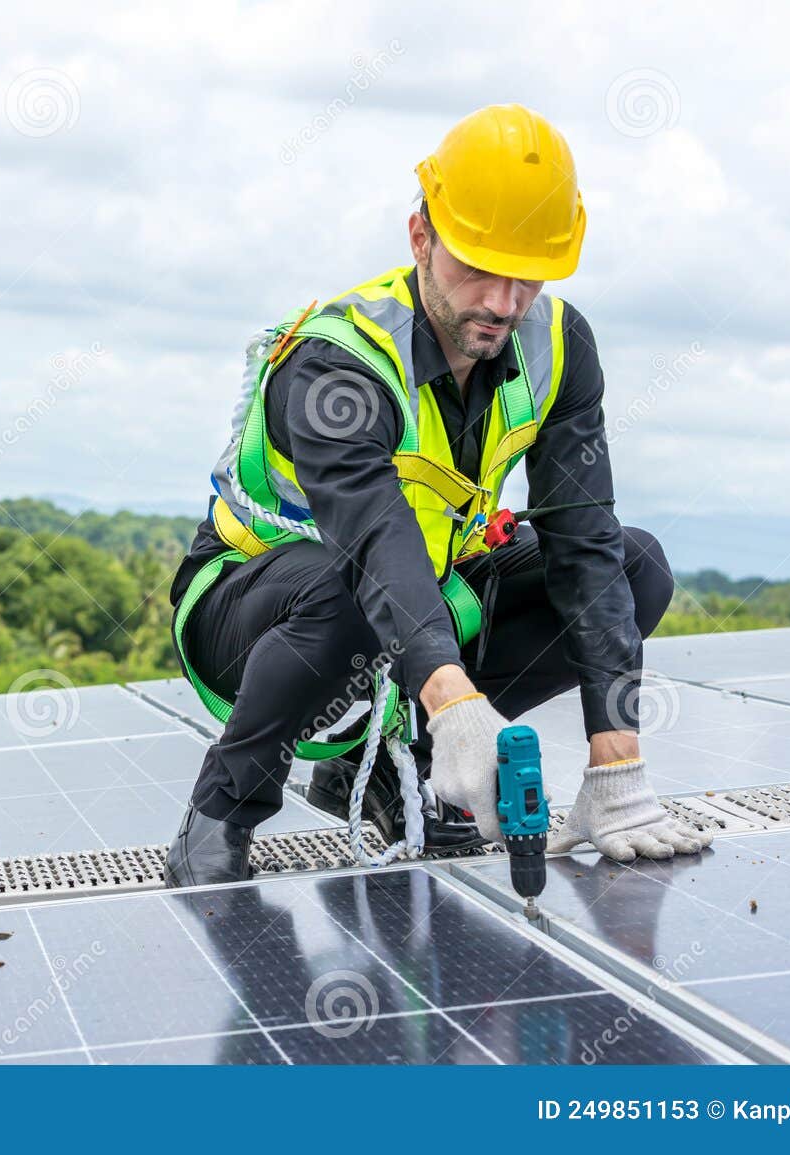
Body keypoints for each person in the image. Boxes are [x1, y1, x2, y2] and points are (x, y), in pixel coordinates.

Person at [163, 103, 712, 887]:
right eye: (479, 266)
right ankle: (223, 806)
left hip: (413, 600)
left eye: (526, 274)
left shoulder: (557, 345)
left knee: (635, 567)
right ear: (420, 236)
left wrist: (615, 762)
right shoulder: (338, 363)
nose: (503, 300)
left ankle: (399, 763)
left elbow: (581, 539)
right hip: (255, 613)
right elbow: (374, 539)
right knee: (355, 587)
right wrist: (456, 700)